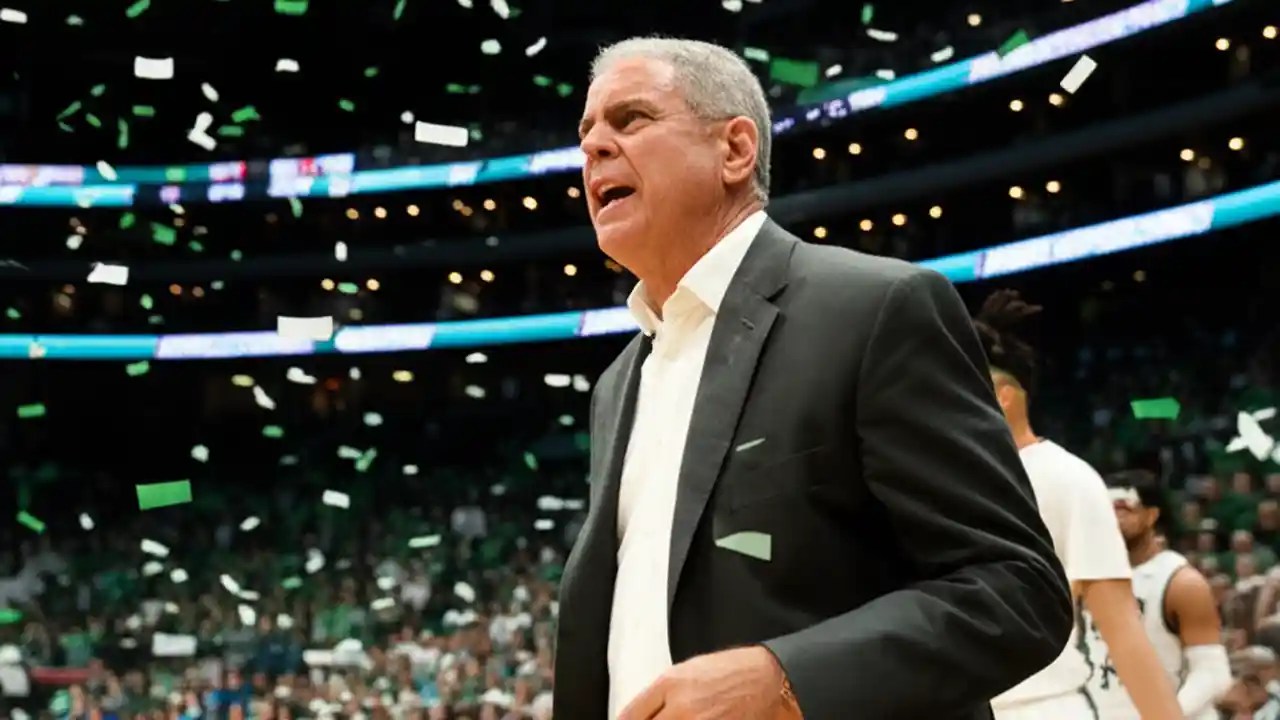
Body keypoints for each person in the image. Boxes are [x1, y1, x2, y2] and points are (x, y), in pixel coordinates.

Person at [552, 36, 1073, 720]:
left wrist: (787, 678)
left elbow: (1018, 589)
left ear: (735, 150)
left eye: (631, 119)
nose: (594, 146)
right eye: (587, 132)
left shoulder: (875, 310)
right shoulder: (618, 382)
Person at [972, 290, 1183, 720]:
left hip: (1044, 707)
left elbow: (1122, 629)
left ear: (1003, 396)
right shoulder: (943, 477)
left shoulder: (1067, 477)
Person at [1083, 469, 1233, 719]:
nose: (1112, 517)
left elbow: (1213, 674)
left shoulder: (1180, 582)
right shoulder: (1089, 576)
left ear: (1151, 515)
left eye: (1122, 508)